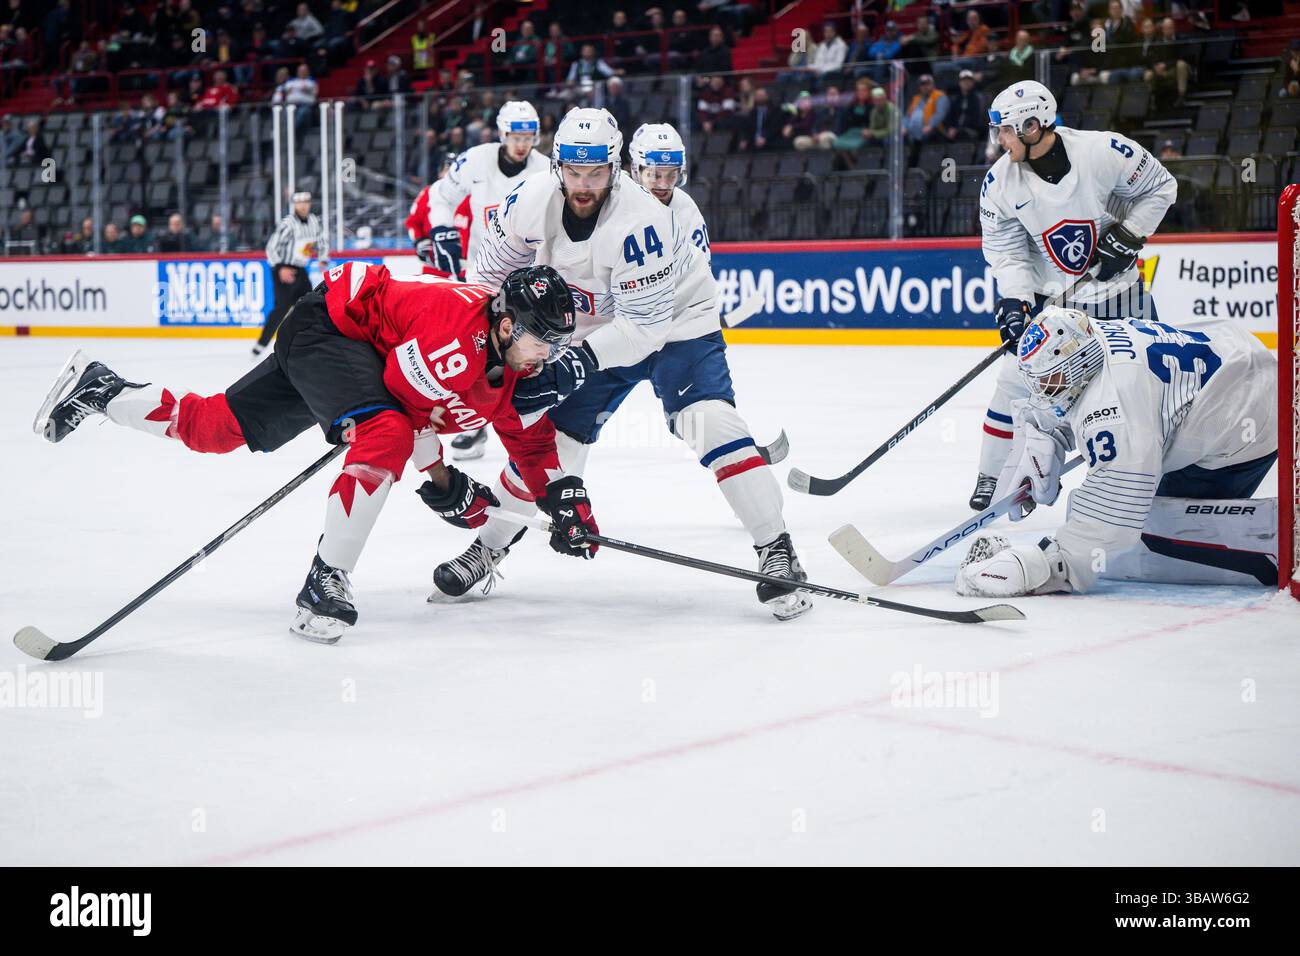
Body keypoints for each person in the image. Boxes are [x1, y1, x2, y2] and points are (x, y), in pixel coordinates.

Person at [34, 265, 587, 643]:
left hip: (347, 347)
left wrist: (565, 500)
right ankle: (326, 580)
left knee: (214, 428)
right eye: (544, 342)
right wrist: (443, 483)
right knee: (386, 432)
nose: (549, 356)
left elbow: (531, 442)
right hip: (327, 330)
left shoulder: (512, 363)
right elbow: (400, 407)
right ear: (508, 324)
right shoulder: (456, 337)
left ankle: (101, 389)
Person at [441, 108, 811, 620]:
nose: (584, 184)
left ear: (615, 168)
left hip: (676, 324)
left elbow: (646, 329)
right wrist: (476, 348)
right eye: (575, 171)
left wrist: (571, 366)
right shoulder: (527, 201)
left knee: (708, 421)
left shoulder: (642, 221)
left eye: (596, 173)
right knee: (552, 443)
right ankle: (489, 547)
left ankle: (777, 550)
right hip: (598, 328)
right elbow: (485, 279)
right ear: (560, 167)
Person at [955, 307, 1278, 596]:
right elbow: (1075, 391)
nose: (1045, 391)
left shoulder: (1115, 411)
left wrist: (1052, 563)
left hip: (1252, 412)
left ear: (1077, 364)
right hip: (1233, 348)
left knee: (1144, 539)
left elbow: (1116, 512)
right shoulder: (1089, 332)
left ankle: (1270, 549)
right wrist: (1047, 430)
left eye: (1050, 382)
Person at [968, 80, 1177, 511]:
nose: (1000, 140)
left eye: (1005, 130)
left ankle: (1159, 477)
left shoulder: (1103, 152)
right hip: (1057, 308)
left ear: (1032, 125)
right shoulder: (999, 183)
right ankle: (992, 477)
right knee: (1012, 382)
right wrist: (1015, 300)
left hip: (1124, 300)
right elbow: (1007, 252)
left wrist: (1129, 236)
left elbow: (1162, 186)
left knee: (1149, 390)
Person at [404, 100, 549, 461]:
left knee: (528, 352)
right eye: (516, 135)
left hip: (530, 278)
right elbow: (440, 196)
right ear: (502, 133)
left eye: (529, 136)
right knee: (482, 350)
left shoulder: (547, 170)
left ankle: (531, 425)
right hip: (485, 275)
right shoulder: (475, 160)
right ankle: (475, 424)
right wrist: (441, 230)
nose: (522, 143)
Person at [256, 191, 327, 358]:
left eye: (306, 202)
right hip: (283, 269)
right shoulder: (288, 223)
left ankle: (314, 340)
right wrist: (280, 268)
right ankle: (262, 343)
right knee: (281, 308)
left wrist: (323, 258)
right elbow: (271, 247)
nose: (303, 206)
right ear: (294, 204)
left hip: (300, 270)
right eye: (299, 202)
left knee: (311, 303)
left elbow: (322, 240)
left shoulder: (314, 221)